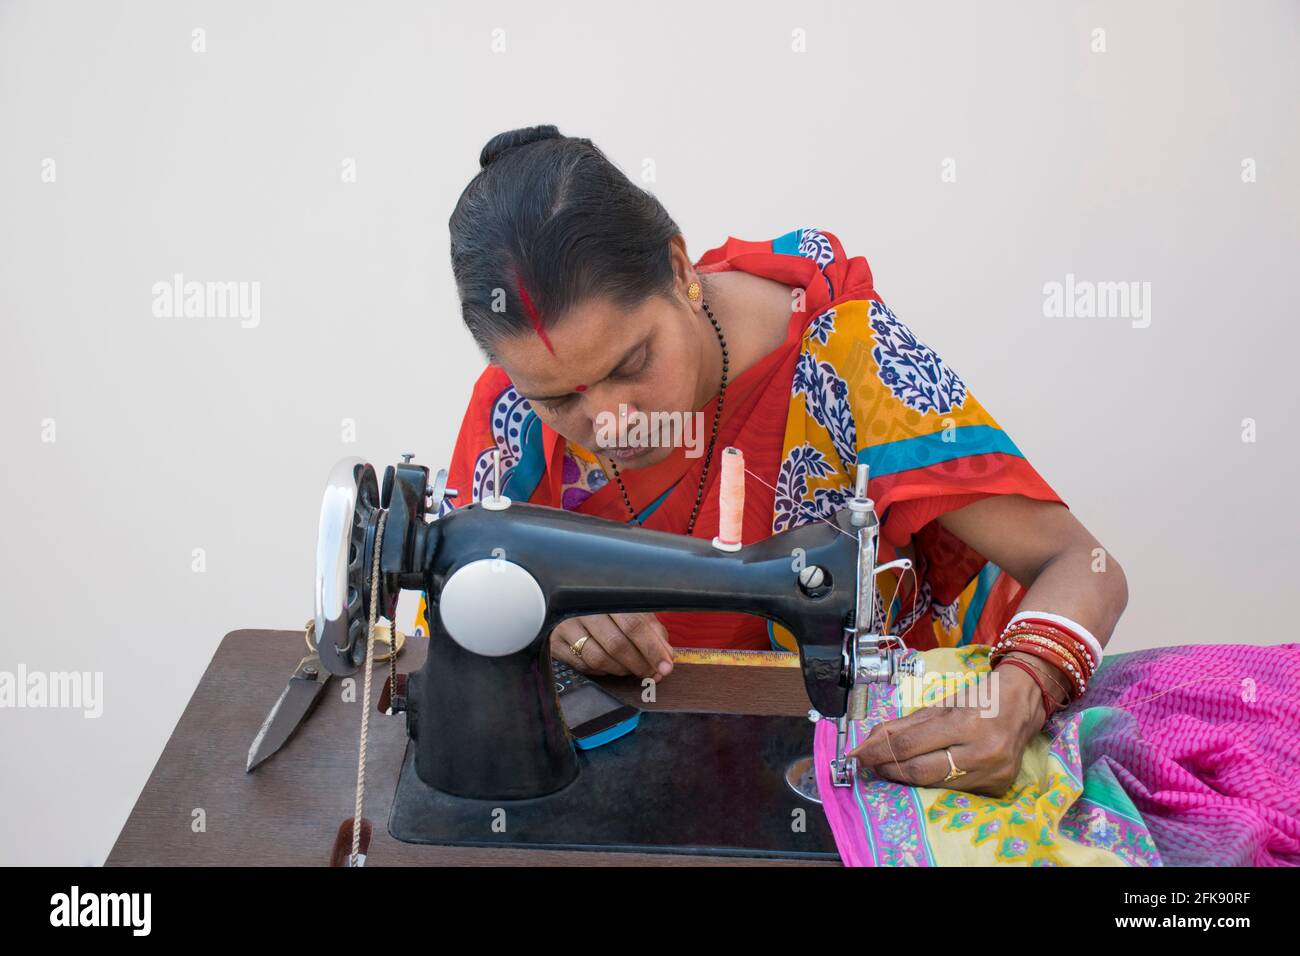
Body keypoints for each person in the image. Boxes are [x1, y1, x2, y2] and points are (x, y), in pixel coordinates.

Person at [416, 126, 1299, 864]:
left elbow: (1084, 563)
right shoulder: (513, 416)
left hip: (918, 754)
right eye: (560, 397)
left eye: (632, 363)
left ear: (681, 269)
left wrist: (1019, 691)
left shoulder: (840, 354)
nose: (608, 422)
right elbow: (458, 596)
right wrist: (548, 626)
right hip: (674, 778)